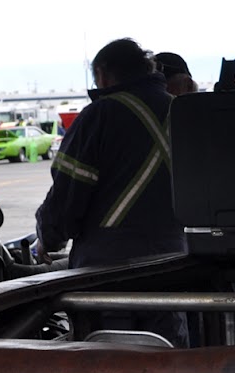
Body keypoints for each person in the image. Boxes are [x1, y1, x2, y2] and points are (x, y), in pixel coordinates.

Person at [35, 38, 187, 344]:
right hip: (175, 265)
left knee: (111, 368)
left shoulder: (99, 116)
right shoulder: (183, 112)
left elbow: (66, 200)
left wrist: (47, 237)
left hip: (108, 274)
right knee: (169, 362)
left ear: (103, 75)